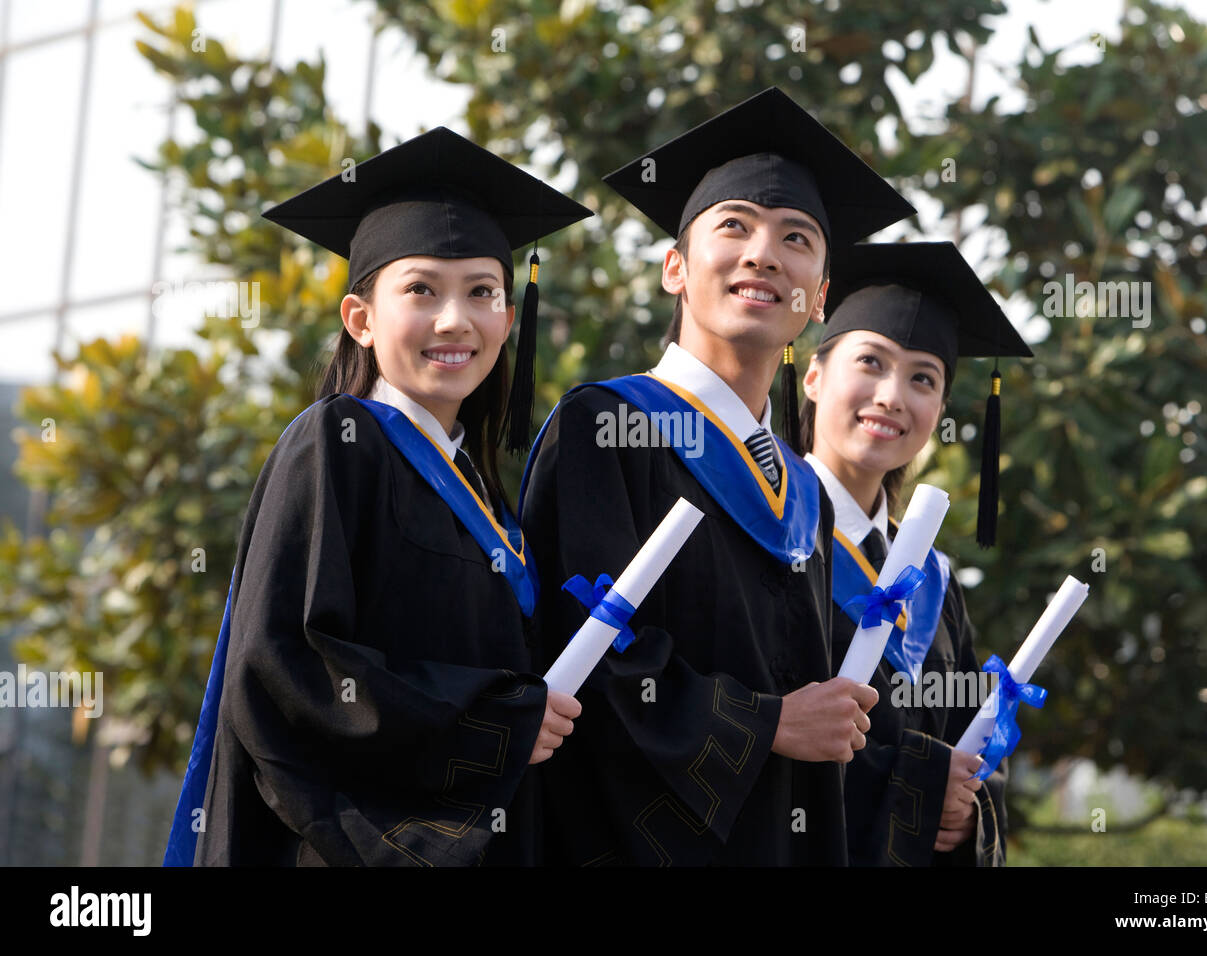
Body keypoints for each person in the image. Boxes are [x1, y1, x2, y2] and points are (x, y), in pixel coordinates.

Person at [163, 127, 593, 866]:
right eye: (421, 289)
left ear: (508, 320)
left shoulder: (488, 497)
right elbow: (288, 665)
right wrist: (500, 724)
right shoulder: (336, 443)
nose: (456, 319)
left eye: (483, 292)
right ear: (360, 319)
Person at [519, 88, 915, 865]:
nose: (765, 254)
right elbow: (577, 657)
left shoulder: (801, 493)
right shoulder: (607, 428)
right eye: (733, 226)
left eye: (797, 238)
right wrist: (765, 725)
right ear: (675, 267)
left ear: (820, 297)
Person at [799, 240, 1033, 866]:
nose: (893, 396)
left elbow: (968, 744)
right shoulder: (769, 534)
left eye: (923, 378)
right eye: (871, 362)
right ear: (814, 376)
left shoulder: (932, 578)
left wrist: (967, 812)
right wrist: (926, 787)